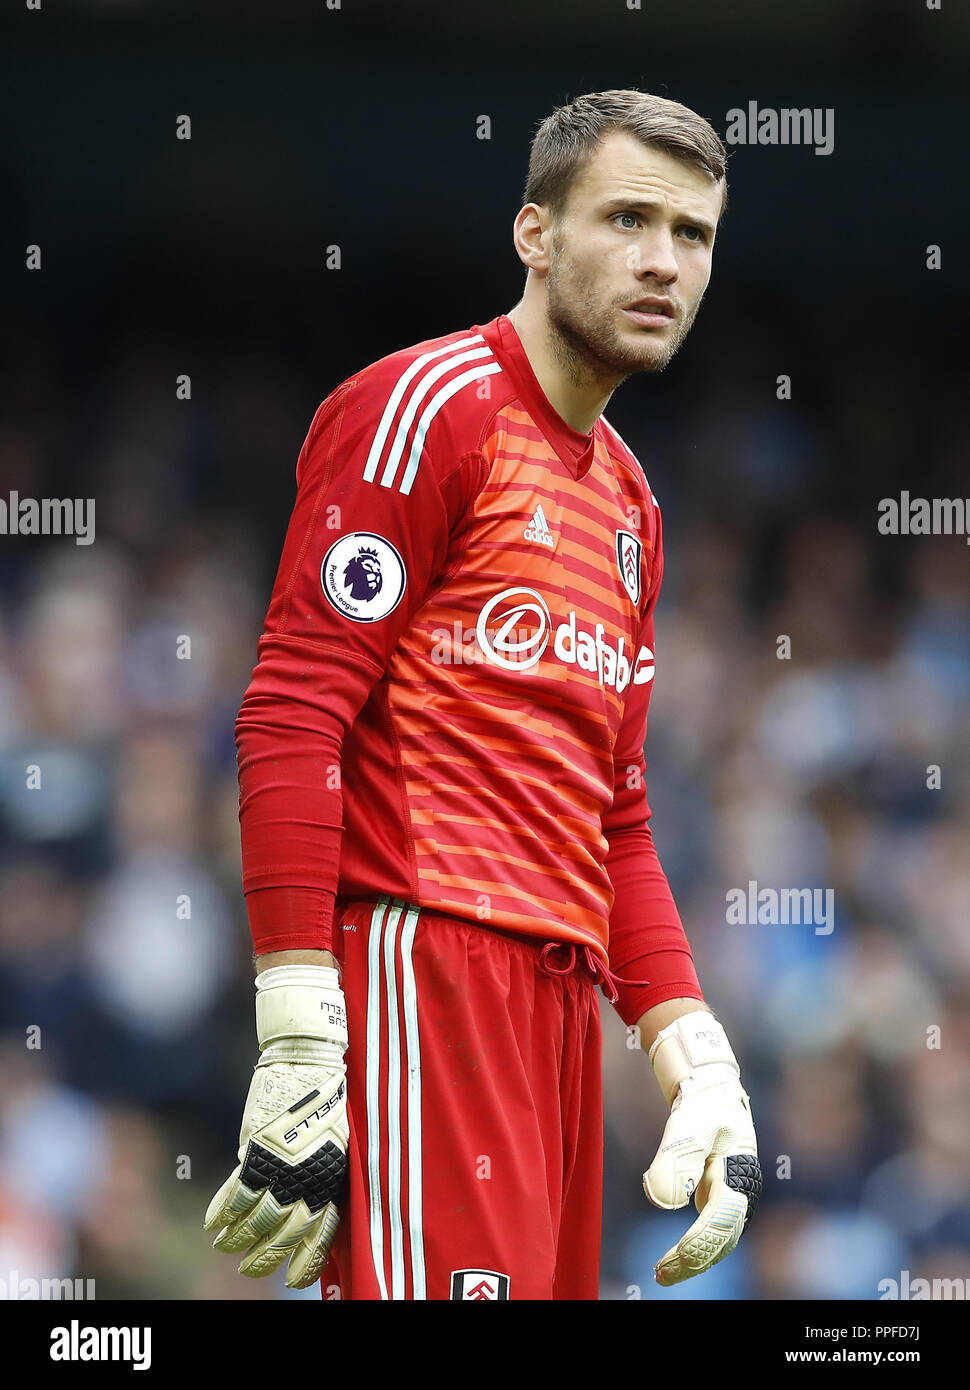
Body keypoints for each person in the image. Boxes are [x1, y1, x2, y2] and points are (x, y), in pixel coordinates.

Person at [204, 88, 761, 1301]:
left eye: (694, 235)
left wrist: (686, 1045)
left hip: (556, 1020)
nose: (662, 260)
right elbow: (295, 711)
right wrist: (300, 1018)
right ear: (535, 234)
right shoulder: (426, 411)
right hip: (424, 972)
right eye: (627, 218)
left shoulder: (631, 505)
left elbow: (612, 811)